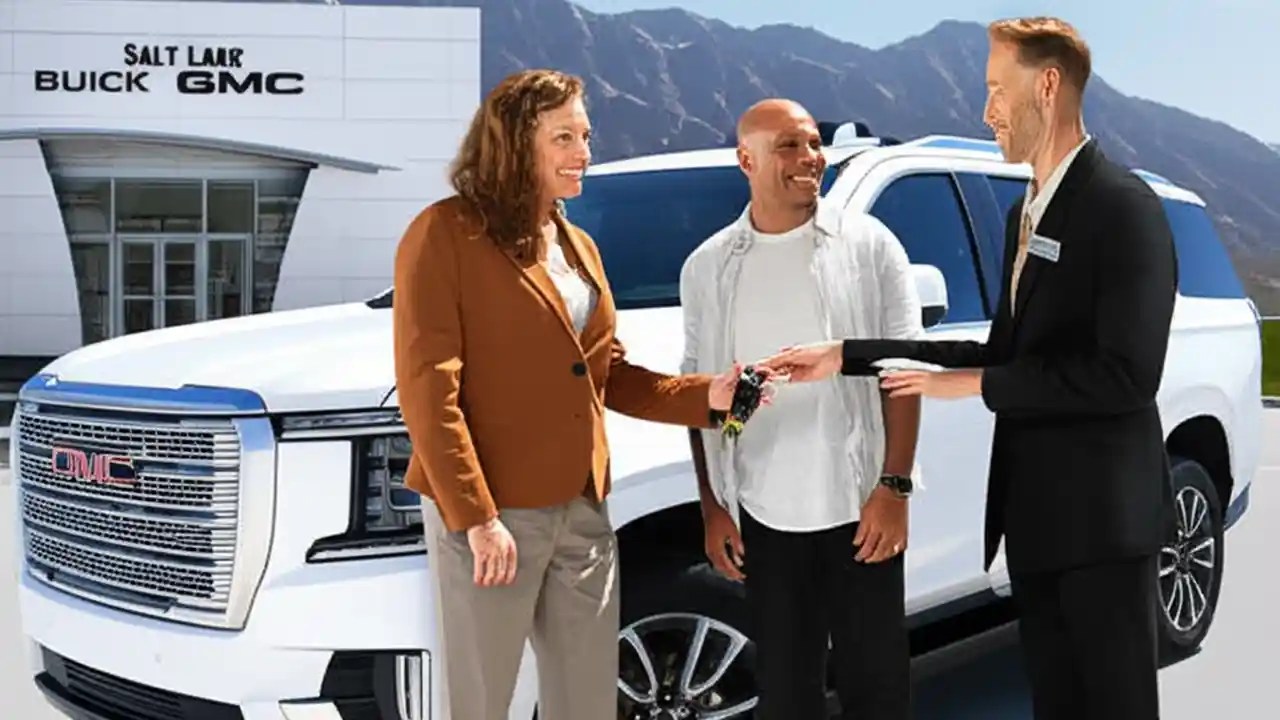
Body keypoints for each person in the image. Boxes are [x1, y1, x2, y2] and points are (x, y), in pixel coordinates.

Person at [763, 17, 1177, 720]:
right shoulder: (1026, 212)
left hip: (1103, 528)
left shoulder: (1122, 207)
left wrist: (978, 386)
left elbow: (1127, 376)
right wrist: (849, 356)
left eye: (994, 89)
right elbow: (1004, 350)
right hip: (1038, 525)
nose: (985, 111)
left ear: (1047, 86)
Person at [392, 68, 742, 720]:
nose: (584, 151)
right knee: (481, 703)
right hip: (493, 514)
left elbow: (606, 373)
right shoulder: (445, 234)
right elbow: (428, 390)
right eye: (565, 137)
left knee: (585, 701)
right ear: (514, 143)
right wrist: (476, 518)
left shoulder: (579, 245)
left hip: (582, 506)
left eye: (585, 135)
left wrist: (712, 397)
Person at [679, 98, 925, 720]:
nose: (809, 158)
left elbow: (903, 372)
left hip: (859, 509)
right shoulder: (707, 268)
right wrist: (714, 506)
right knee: (786, 698)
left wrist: (893, 487)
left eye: (813, 143)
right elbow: (701, 394)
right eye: (788, 145)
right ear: (747, 160)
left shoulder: (870, 247)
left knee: (878, 691)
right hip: (764, 516)